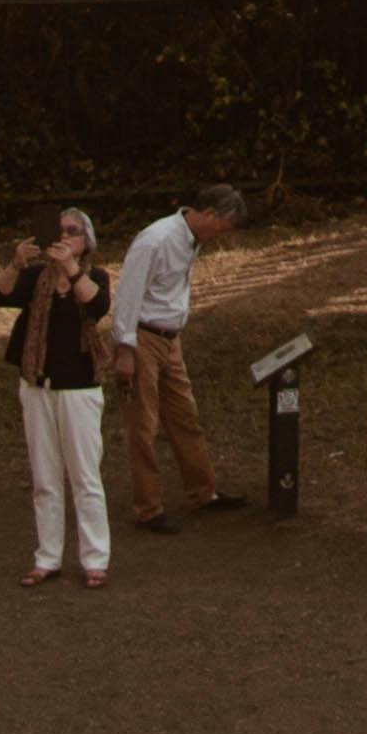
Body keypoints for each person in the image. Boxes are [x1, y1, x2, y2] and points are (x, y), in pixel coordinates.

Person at [107, 180, 247, 533]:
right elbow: (127, 294)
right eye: (221, 227)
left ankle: (204, 492)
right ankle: (148, 508)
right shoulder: (155, 240)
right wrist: (125, 348)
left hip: (171, 339)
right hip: (143, 337)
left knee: (185, 415)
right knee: (143, 423)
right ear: (209, 214)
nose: (220, 235)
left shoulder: (191, 239)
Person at [0, 206, 114, 586]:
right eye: (58, 230)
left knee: (84, 476)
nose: (63, 236)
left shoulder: (94, 276)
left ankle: (95, 559)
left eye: (72, 231)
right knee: (45, 477)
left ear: (85, 241)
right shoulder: (35, 278)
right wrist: (15, 263)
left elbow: (96, 305)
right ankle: (47, 556)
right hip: (37, 385)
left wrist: (70, 270)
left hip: (78, 389)